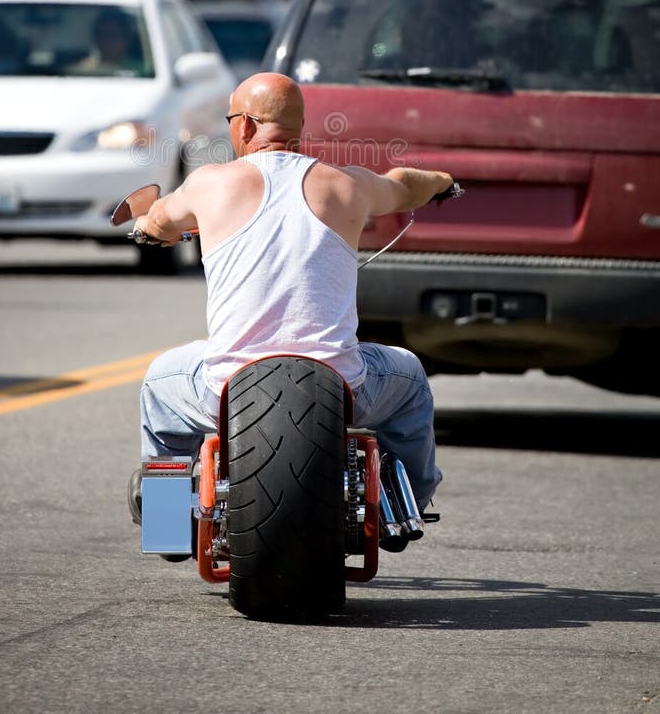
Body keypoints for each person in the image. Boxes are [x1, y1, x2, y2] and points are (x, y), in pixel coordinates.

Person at [128, 72, 453, 539]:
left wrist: (147, 227)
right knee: (410, 377)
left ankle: (166, 525)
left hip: (225, 390)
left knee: (161, 383)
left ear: (242, 126)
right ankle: (405, 509)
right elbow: (403, 185)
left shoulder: (208, 185)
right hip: (344, 389)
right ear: (299, 127)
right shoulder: (348, 185)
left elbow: (158, 219)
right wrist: (442, 182)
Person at [72, 9, 146, 74]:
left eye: (112, 34)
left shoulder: (143, 71)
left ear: (126, 38)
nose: (106, 40)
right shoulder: (82, 71)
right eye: (101, 34)